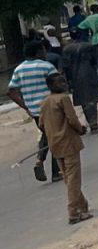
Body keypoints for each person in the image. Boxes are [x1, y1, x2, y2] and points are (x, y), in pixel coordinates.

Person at [38, 72, 91, 223]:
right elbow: (72, 120)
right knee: (73, 178)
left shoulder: (44, 102)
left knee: (68, 178)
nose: (64, 84)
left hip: (54, 144)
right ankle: (73, 212)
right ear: (51, 86)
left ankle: (82, 205)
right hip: (68, 143)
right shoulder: (64, 98)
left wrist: (53, 131)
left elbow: (41, 125)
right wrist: (80, 129)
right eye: (60, 82)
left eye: (64, 81)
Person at [7, 41, 60, 182]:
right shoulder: (46, 66)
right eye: (43, 50)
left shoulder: (19, 69)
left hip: (35, 112)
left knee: (46, 135)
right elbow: (59, 84)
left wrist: (26, 107)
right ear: (38, 52)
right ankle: (57, 172)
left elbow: (11, 92)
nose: (45, 53)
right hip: (51, 108)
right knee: (55, 137)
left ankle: (39, 160)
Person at [62, 37, 98, 133]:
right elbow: (96, 61)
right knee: (92, 99)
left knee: (84, 101)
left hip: (75, 78)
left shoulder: (67, 50)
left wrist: (69, 82)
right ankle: (94, 123)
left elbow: (66, 67)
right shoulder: (88, 46)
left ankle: (92, 122)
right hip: (90, 75)